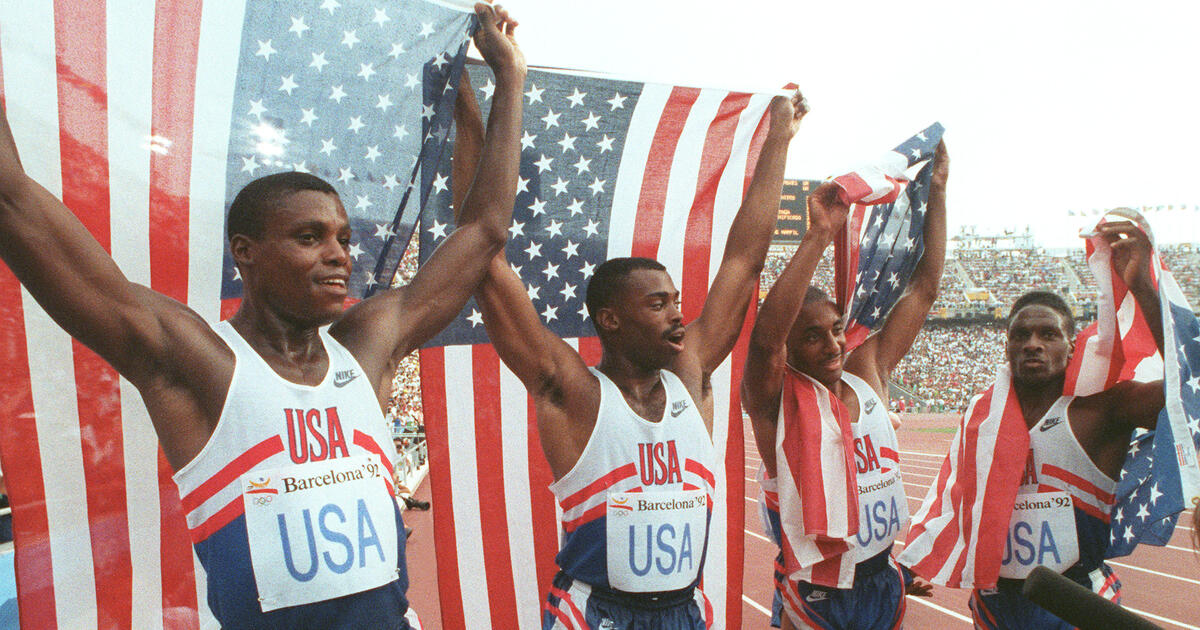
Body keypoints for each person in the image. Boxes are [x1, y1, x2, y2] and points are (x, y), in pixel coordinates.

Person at [0, 4, 524, 628]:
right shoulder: (197, 362)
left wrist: (509, 77)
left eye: (342, 239)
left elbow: (486, 227)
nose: (337, 256)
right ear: (244, 252)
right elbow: (12, 199)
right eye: (309, 237)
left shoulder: (368, 346)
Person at [453, 73, 807, 627]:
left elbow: (744, 262)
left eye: (677, 301)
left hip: (684, 612)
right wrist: (475, 113)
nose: (676, 314)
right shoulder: (572, 391)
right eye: (658, 304)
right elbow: (482, 260)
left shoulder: (689, 374)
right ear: (611, 320)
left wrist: (780, 137)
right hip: (597, 614)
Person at [901, 223, 1166, 629]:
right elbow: (956, 495)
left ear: (1072, 346)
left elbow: (1186, 393)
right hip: (997, 604)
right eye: (1020, 335)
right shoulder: (982, 414)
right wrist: (911, 562)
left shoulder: (1101, 408)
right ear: (1007, 345)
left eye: (1048, 334)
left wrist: (1144, 288)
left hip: (1075, 602)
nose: (1032, 343)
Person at [741, 142, 947, 630]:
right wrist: (819, 235)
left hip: (880, 576)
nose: (833, 344)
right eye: (811, 337)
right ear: (789, 348)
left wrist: (937, 190)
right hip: (817, 587)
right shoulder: (775, 400)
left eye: (835, 328)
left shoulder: (867, 370)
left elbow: (925, 288)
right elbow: (765, 342)